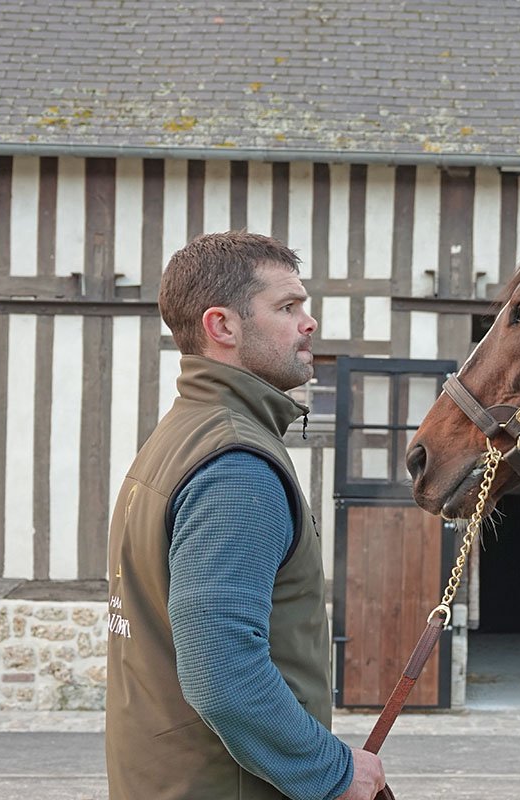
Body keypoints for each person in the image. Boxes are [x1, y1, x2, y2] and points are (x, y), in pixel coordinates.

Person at [105, 231, 386, 800]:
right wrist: (331, 771)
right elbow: (221, 669)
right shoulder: (235, 465)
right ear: (222, 327)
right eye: (287, 307)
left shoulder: (181, 437)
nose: (309, 323)